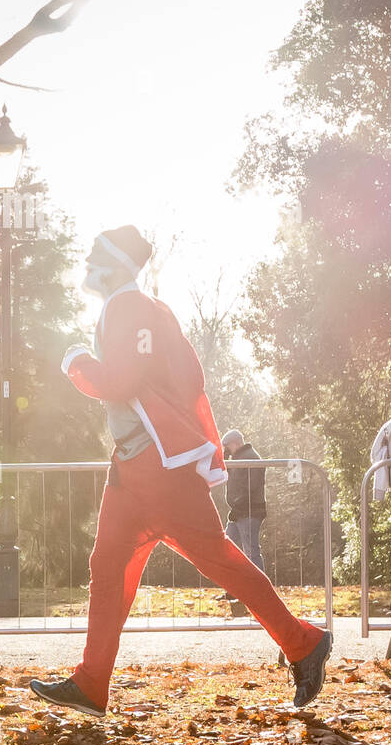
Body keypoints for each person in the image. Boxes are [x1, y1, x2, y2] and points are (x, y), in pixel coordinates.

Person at [30, 226, 331, 715]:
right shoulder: (150, 309)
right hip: (138, 463)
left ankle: (303, 643)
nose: (85, 261)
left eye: (93, 254)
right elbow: (191, 376)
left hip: (155, 464)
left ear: (113, 264)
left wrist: (76, 362)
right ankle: (90, 683)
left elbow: (121, 381)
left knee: (215, 560)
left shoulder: (127, 307)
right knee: (110, 570)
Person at [221, 429, 267, 573]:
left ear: (235, 443)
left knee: (251, 552)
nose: (226, 450)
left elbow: (251, 486)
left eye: (227, 447)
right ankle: (235, 588)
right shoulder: (239, 458)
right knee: (228, 547)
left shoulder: (250, 458)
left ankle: (259, 589)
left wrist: (238, 504)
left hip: (249, 511)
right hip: (239, 511)